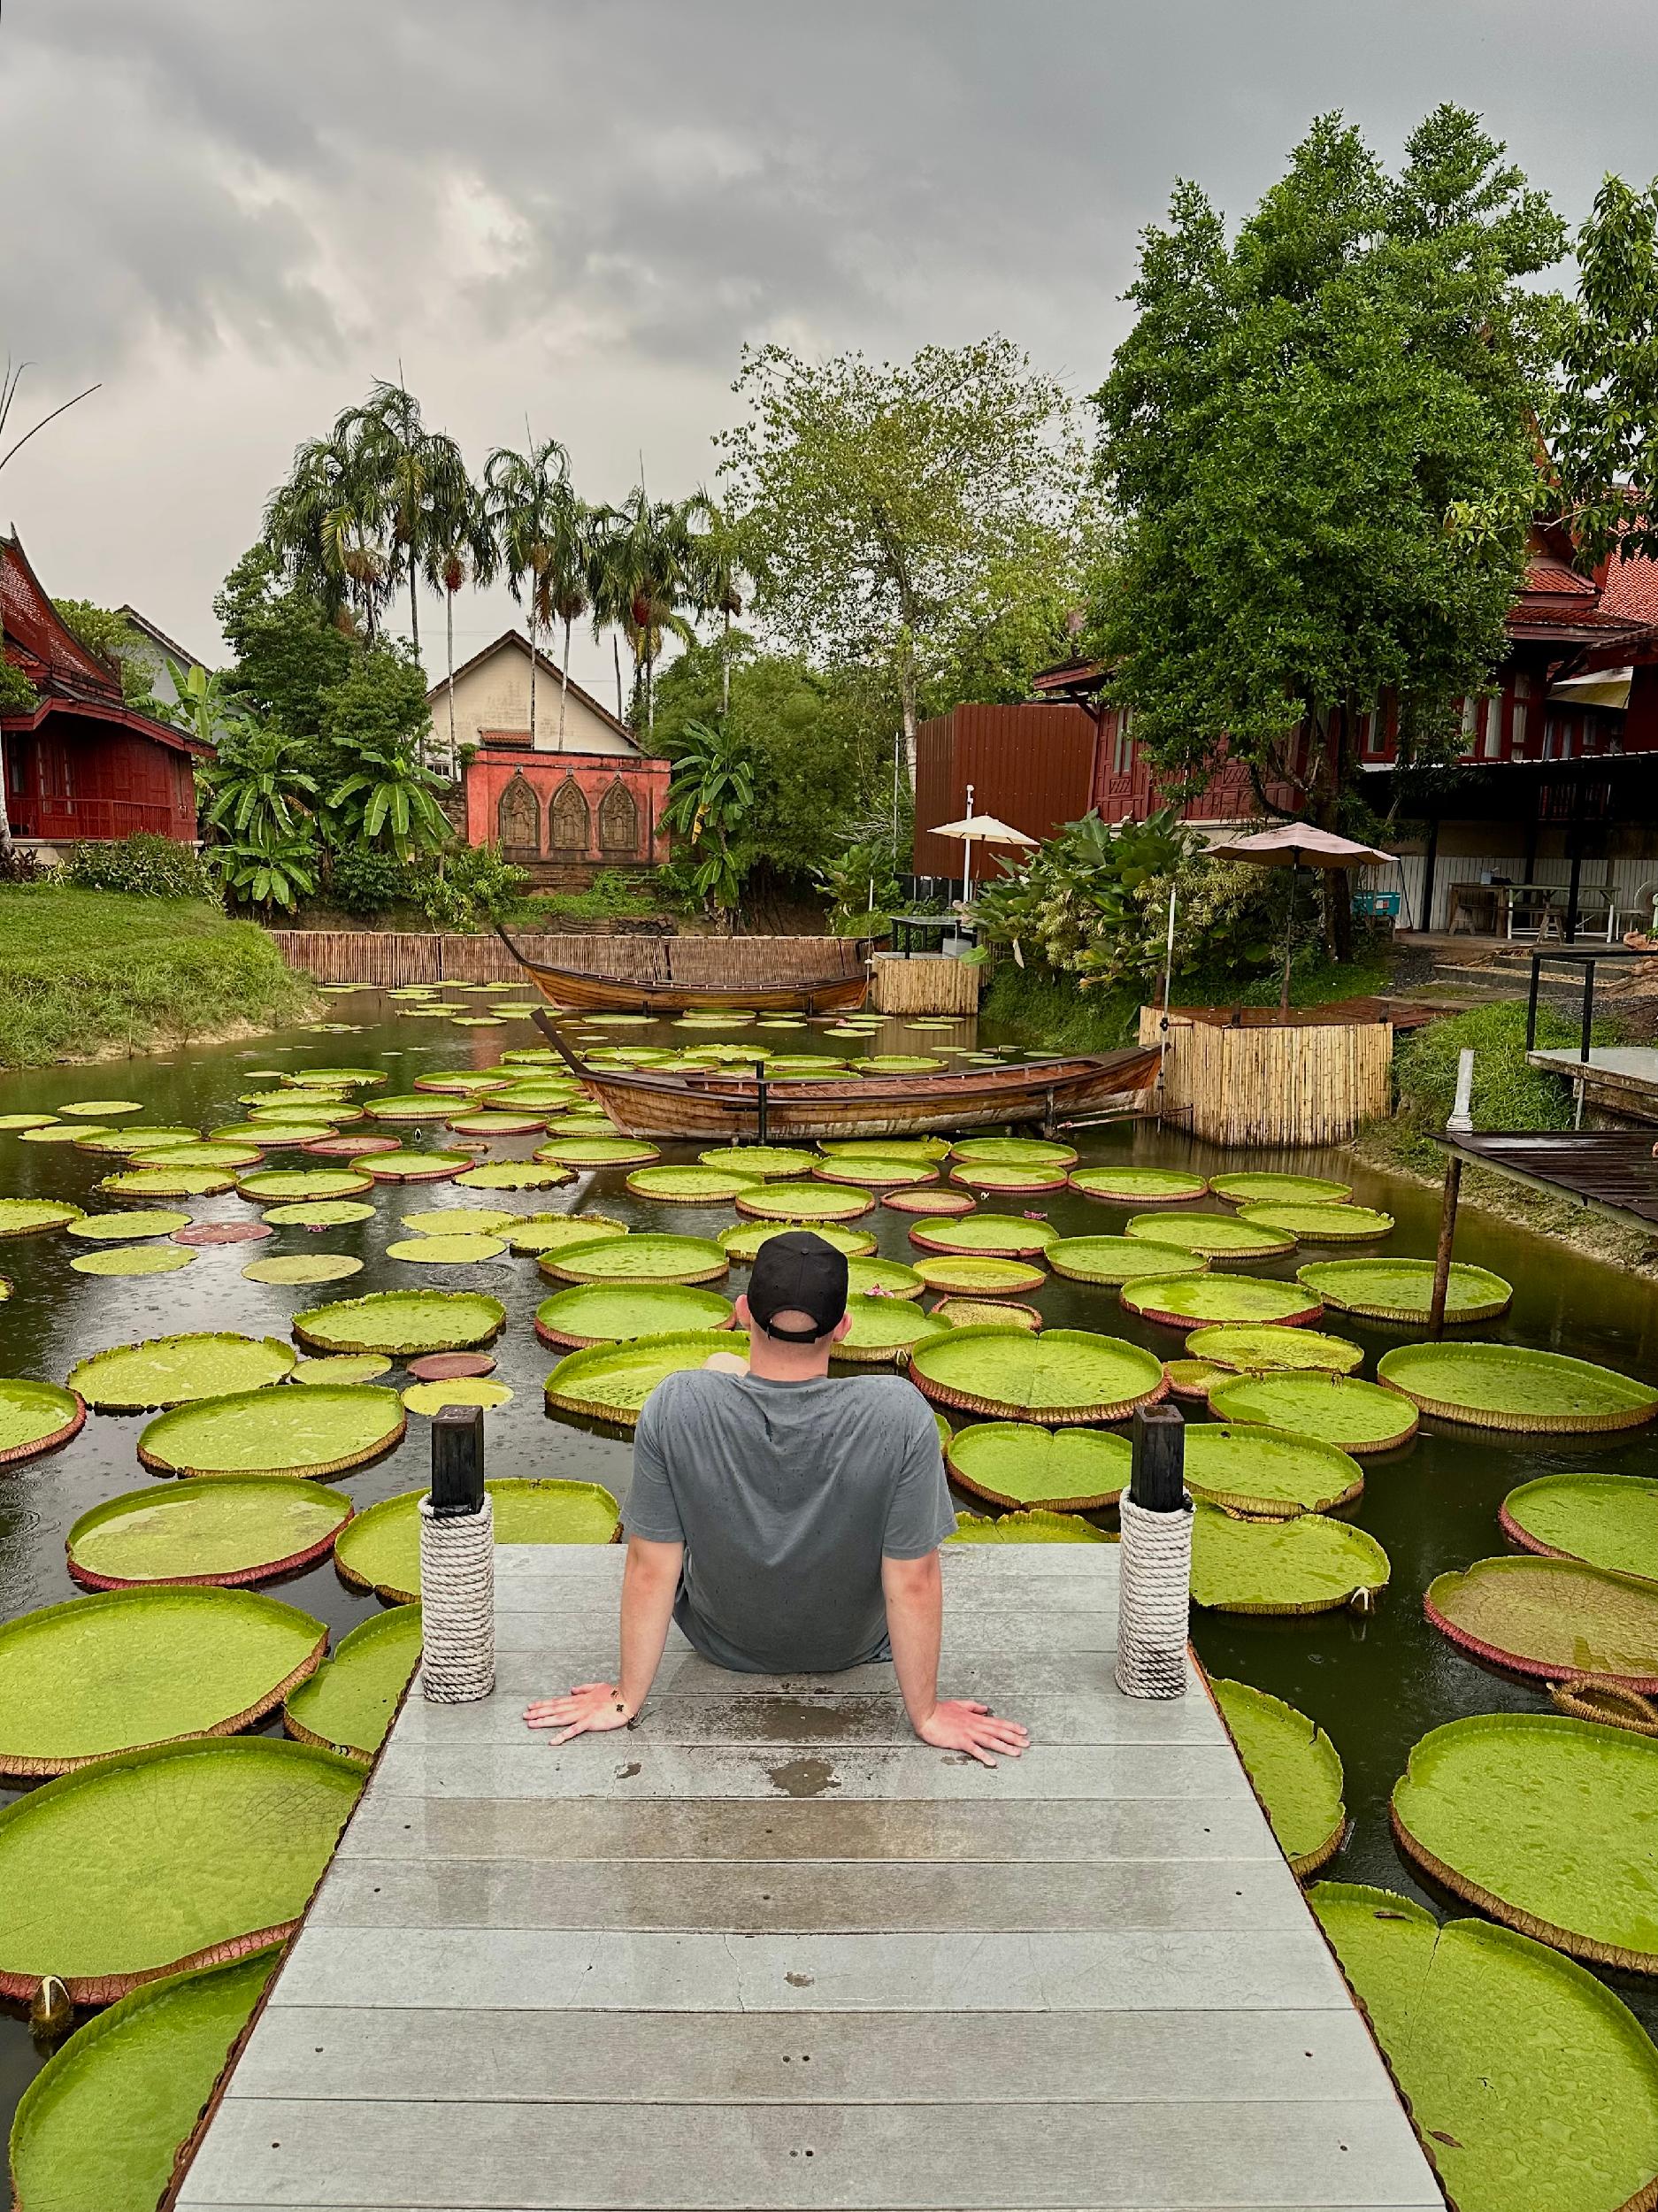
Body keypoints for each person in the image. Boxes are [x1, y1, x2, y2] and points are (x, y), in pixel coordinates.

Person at [524, 1228, 1030, 1767]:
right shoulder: (899, 1414)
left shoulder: (676, 1404)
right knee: (724, 1373)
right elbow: (914, 1578)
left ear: (743, 1311)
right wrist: (925, 1715)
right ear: (843, 1327)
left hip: (721, 1644)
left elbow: (652, 1568)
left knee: (717, 1370)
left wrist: (625, 1698)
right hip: (852, 1649)